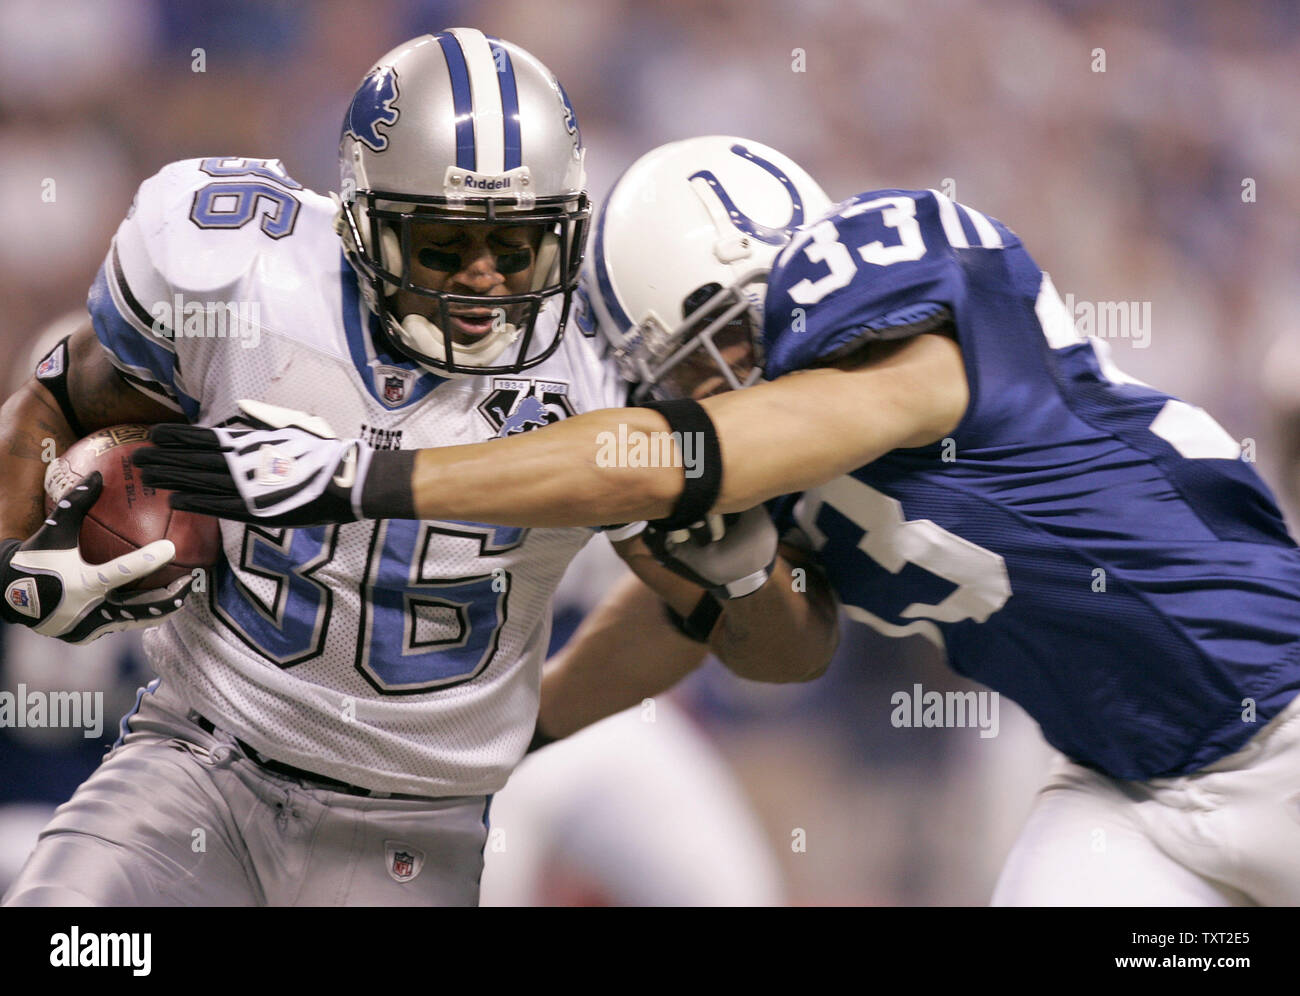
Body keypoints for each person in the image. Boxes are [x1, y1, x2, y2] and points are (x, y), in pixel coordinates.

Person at [139, 135, 1300, 906]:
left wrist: (370, 473)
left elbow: (668, 462)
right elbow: (770, 641)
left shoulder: (907, 329)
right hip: (1132, 787)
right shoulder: (775, 457)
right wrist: (490, 750)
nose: (691, 388)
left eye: (700, 358)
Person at [1, 38, 833, 906]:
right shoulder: (244, 277)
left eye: (517, 249)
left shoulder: (603, 369)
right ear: (361, 219)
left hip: (408, 831)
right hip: (195, 765)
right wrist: (20, 557)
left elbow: (773, 647)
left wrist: (744, 571)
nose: (483, 282)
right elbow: (53, 397)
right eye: (443, 245)